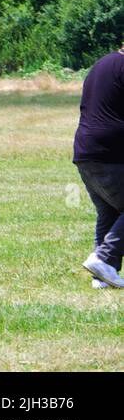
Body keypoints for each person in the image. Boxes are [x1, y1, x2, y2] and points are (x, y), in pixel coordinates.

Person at [73, 44, 124, 288]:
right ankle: (103, 258)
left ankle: (103, 276)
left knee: (110, 211)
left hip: (85, 150)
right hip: (110, 151)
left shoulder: (102, 64)